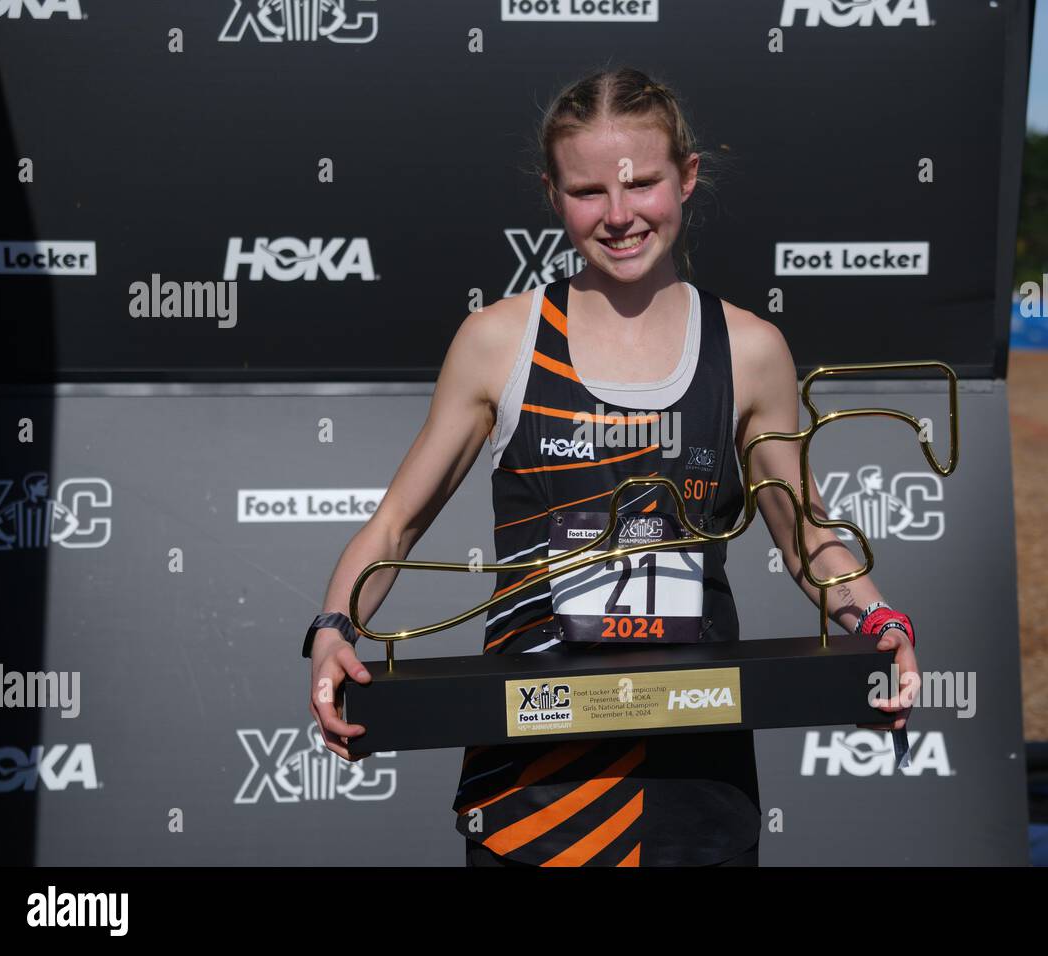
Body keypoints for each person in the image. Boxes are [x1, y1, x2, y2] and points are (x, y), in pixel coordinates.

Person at [304, 67, 919, 867]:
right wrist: (333, 629)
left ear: (687, 178)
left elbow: (806, 537)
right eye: (589, 190)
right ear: (554, 195)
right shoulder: (500, 340)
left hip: (693, 780)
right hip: (532, 788)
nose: (620, 215)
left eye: (644, 184)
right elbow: (396, 524)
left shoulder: (751, 350)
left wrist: (879, 620)